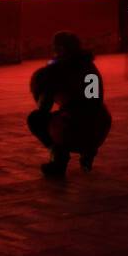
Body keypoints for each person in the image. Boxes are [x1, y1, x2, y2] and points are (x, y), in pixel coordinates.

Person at [28, 32, 112, 178]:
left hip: (74, 127)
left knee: (36, 118)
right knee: (83, 114)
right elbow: (94, 99)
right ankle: (88, 151)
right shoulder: (89, 65)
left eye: (55, 47)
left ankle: (58, 159)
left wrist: (42, 85)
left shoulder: (57, 70)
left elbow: (43, 107)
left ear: (61, 48)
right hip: (100, 125)